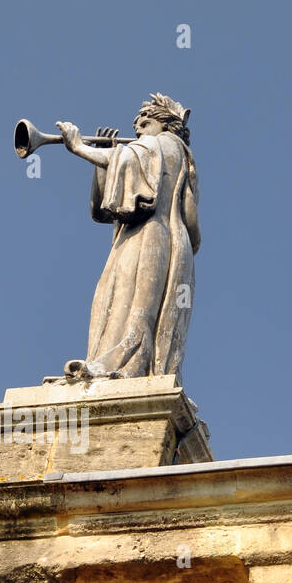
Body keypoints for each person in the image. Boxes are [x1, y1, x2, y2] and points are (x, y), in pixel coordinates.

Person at [56, 92, 200, 383]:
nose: (138, 128)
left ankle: (121, 366)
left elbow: (134, 156)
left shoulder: (166, 145)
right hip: (169, 240)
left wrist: (80, 147)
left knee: (130, 301)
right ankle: (120, 364)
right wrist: (102, 163)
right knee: (120, 300)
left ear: (166, 124)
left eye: (145, 121)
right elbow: (191, 220)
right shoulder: (183, 162)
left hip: (149, 236)